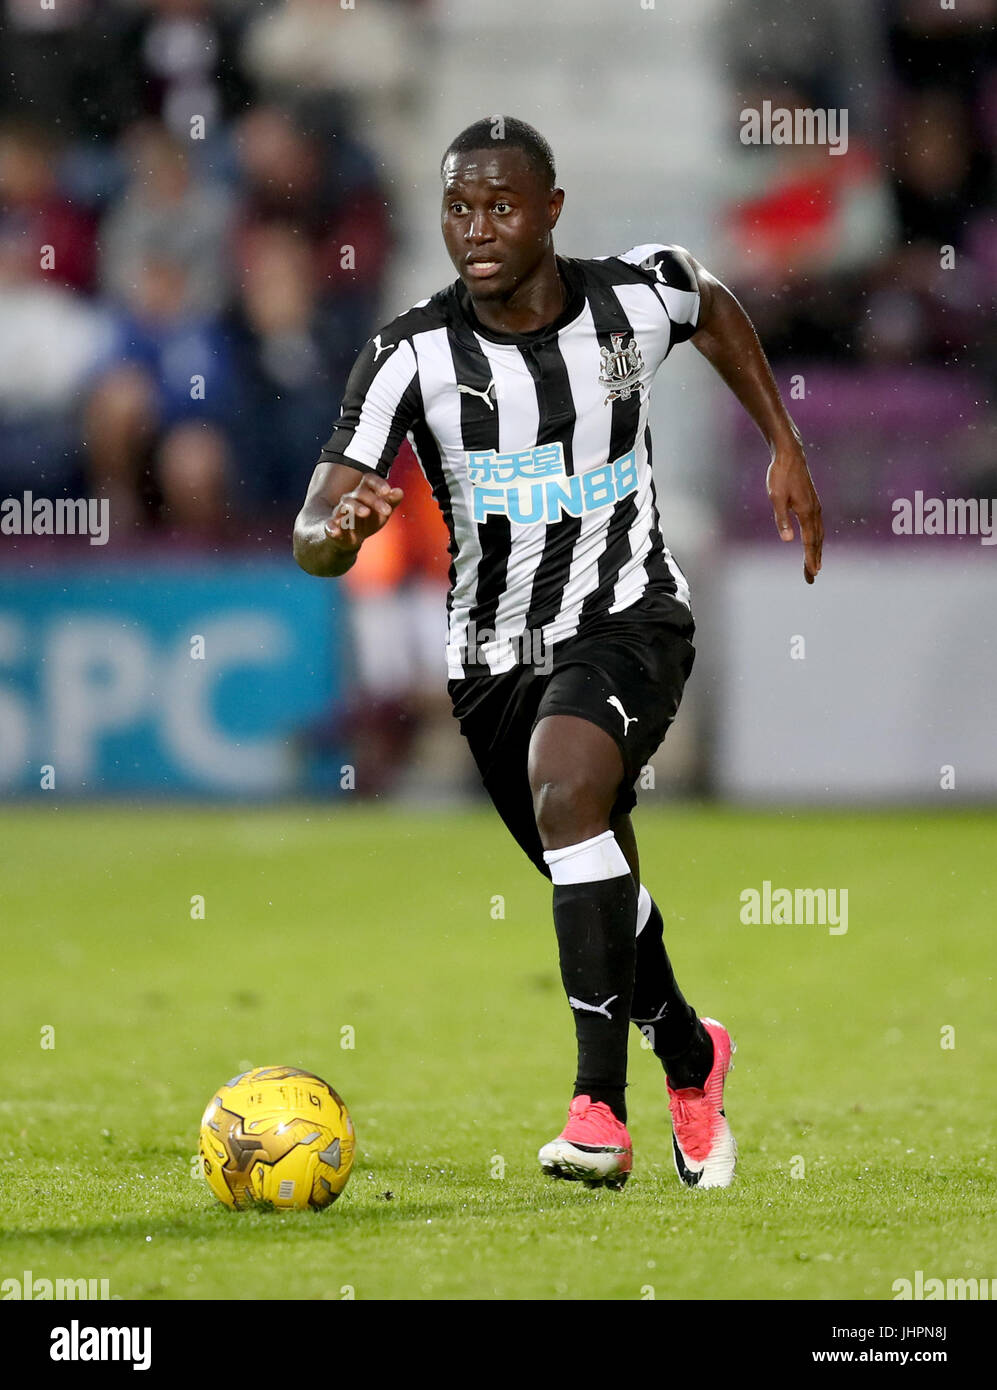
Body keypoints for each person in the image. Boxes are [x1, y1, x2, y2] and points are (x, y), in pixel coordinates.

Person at [293, 116, 823, 1190]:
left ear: (549, 211)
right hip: (489, 660)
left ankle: (597, 1111)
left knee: (569, 790)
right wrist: (334, 535)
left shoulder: (632, 298)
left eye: (497, 206)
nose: (475, 229)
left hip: (629, 615)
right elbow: (312, 526)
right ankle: (689, 1051)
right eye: (456, 207)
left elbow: (712, 306)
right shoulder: (409, 354)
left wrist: (784, 444)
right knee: (598, 883)